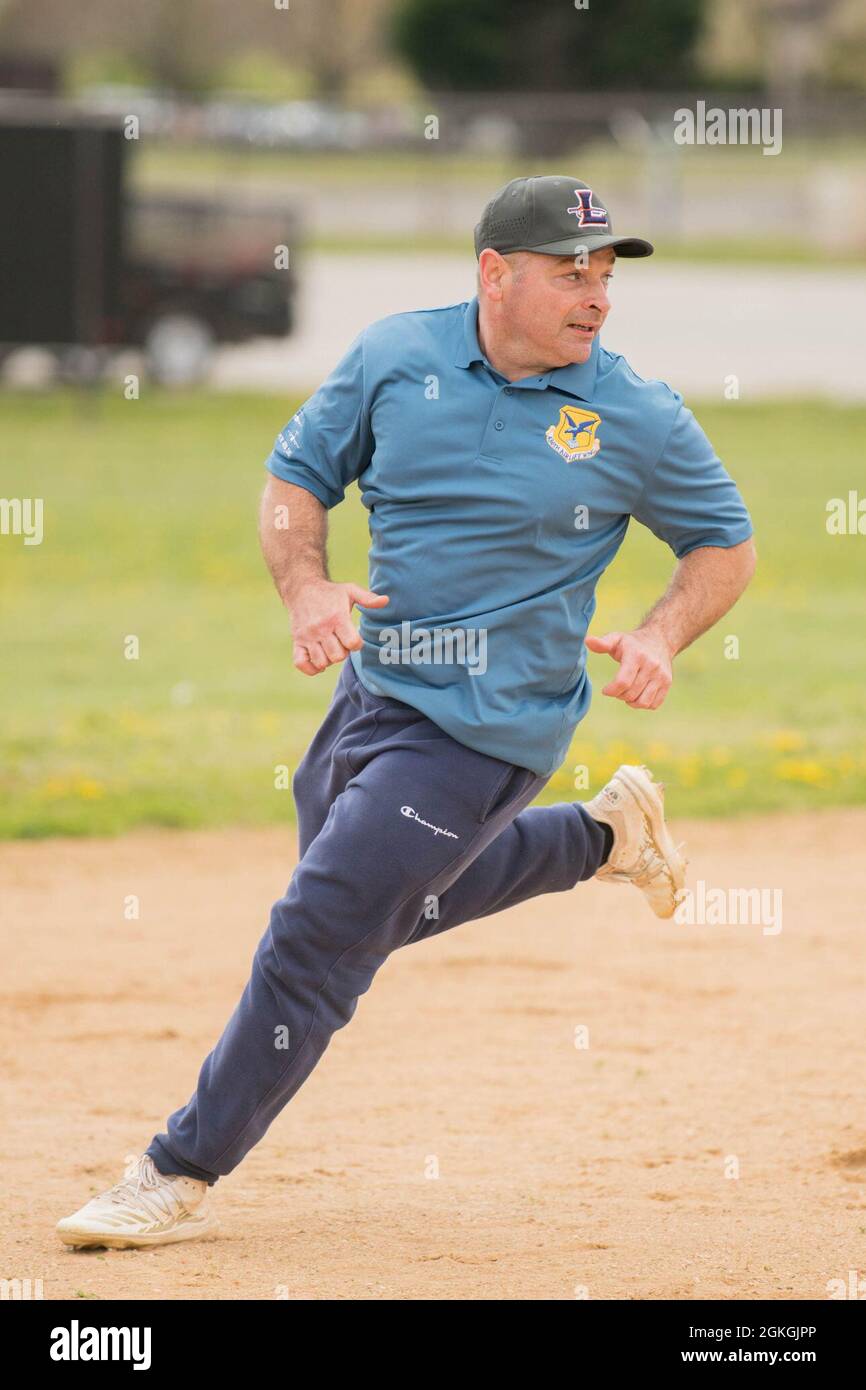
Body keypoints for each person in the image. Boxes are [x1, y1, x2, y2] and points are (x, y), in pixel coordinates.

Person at [57, 176, 755, 1249]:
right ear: (494, 272)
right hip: (374, 692)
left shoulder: (634, 413)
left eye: (605, 273)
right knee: (395, 908)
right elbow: (294, 478)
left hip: (493, 724)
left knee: (321, 927)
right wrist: (304, 587)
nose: (596, 295)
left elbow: (723, 542)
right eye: (572, 271)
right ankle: (601, 835)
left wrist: (660, 633)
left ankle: (175, 1166)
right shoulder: (396, 358)